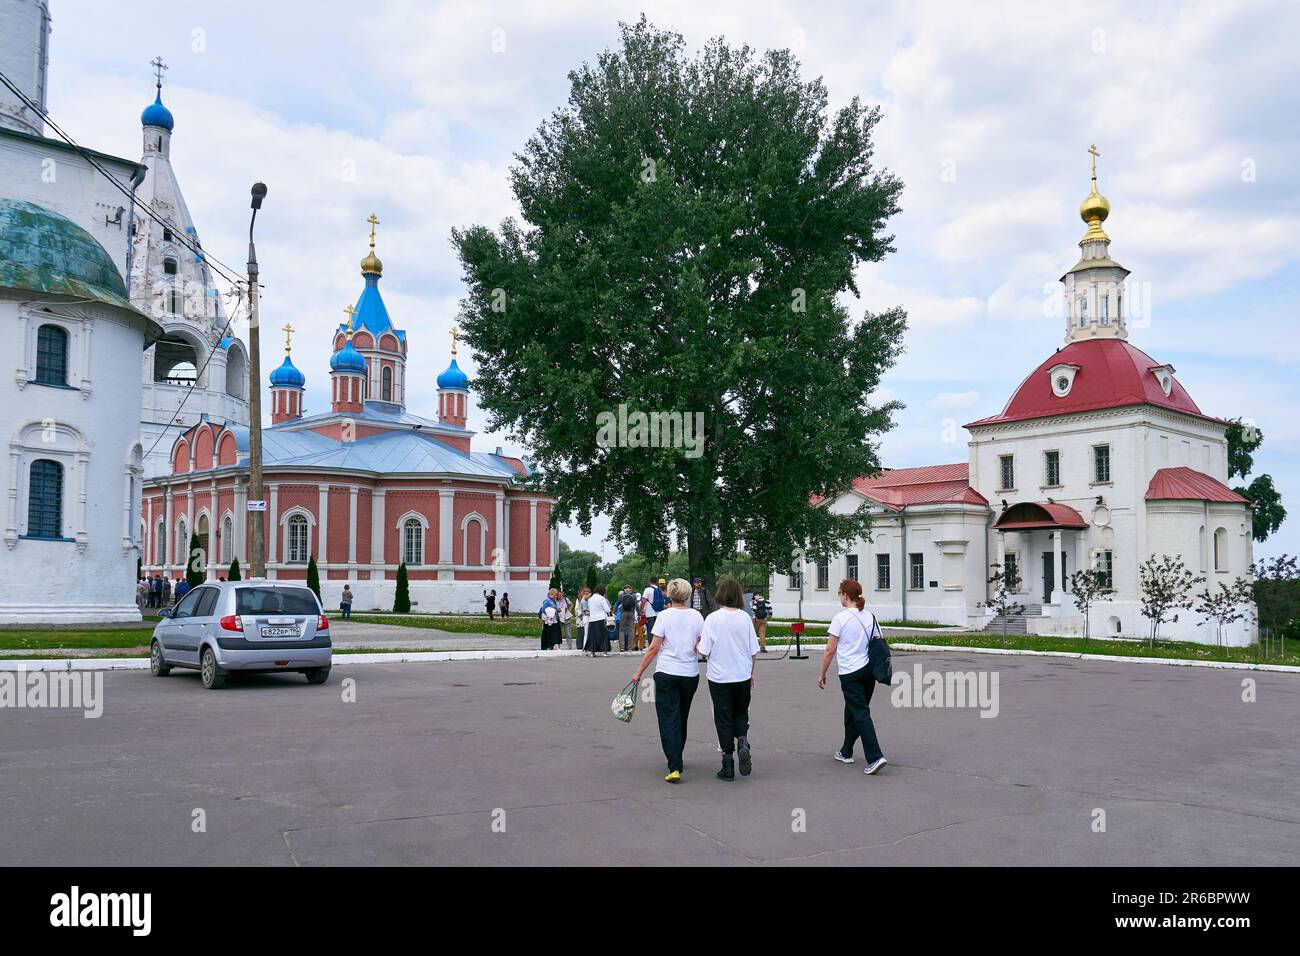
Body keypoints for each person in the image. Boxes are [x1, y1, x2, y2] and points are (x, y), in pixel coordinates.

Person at [632, 578, 704, 784]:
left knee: (668, 718)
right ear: (688, 595)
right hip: (690, 674)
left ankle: (674, 765)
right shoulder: (697, 616)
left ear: (669, 595)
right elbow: (700, 645)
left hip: (667, 673)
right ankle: (677, 755)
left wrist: (639, 672)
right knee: (681, 716)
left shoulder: (664, 616)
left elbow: (654, 648)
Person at [818, 578, 888, 775]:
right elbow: (878, 640)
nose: (839, 596)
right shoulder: (871, 616)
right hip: (868, 672)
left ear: (846, 595)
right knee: (853, 711)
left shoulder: (840, 618)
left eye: (839, 593)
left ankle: (875, 756)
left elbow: (829, 650)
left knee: (860, 713)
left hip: (850, 673)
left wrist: (822, 674)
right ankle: (846, 751)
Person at [699, 577, 759, 781]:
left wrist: (696, 644)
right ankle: (742, 740)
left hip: (719, 676)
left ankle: (727, 763)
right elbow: (753, 651)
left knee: (723, 718)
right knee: (741, 713)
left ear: (720, 595)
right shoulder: (745, 618)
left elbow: (704, 650)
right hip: (741, 674)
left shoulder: (712, 619)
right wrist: (751, 673)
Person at [585, 584, 612, 657]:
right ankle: (604, 652)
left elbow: (590, 609)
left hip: (592, 619)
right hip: (601, 618)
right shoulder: (602, 598)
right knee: (604, 635)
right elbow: (607, 609)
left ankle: (592, 652)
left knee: (593, 636)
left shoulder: (590, 599)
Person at [617, 586, 638, 652]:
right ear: (631, 590)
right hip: (631, 613)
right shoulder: (634, 596)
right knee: (631, 630)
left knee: (621, 630)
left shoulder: (622, 595)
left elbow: (617, 604)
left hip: (623, 613)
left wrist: (614, 610)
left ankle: (622, 647)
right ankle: (630, 648)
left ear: (624, 589)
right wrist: (639, 613)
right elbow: (637, 606)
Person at [574, 587, 590, 651]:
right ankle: (579, 646)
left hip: (585, 617)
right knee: (580, 631)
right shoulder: (578, 600)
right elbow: (577, 609)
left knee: (584, 632)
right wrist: (581, 613)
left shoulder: (588, 600)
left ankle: (584, 645)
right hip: (580, 617)